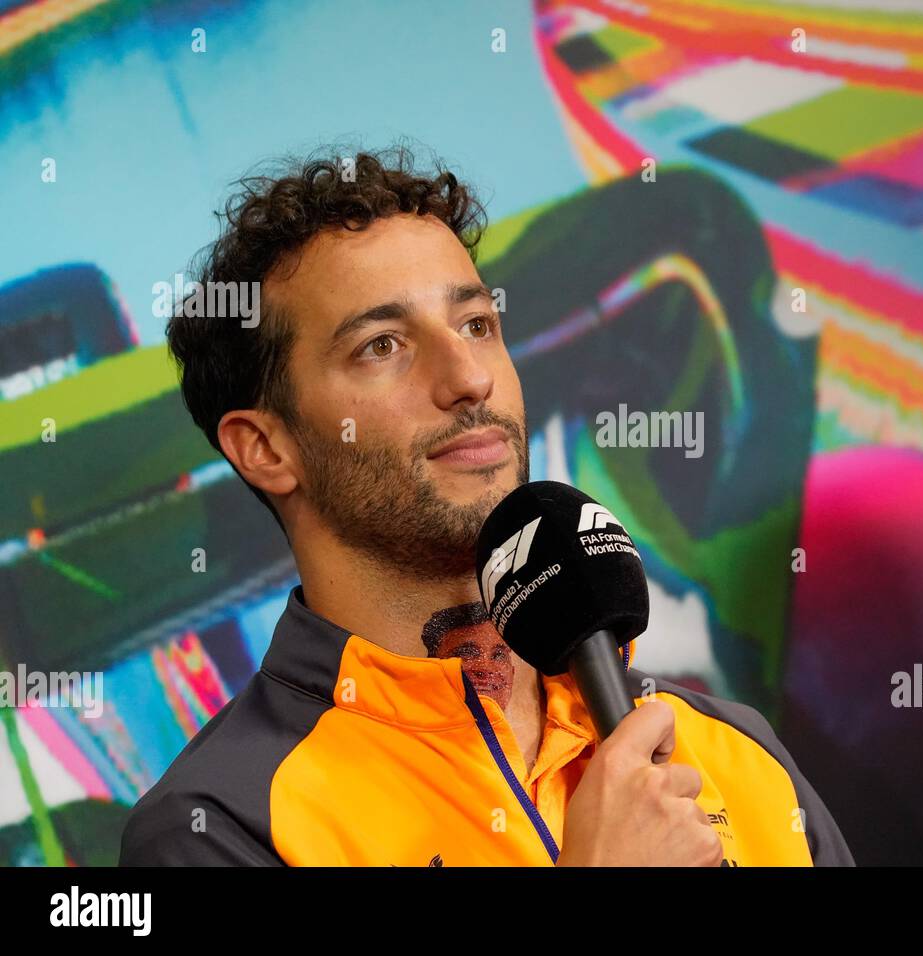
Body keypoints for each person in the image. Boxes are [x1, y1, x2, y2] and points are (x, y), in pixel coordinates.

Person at [118, 145, 853, 867]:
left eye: (476, 326)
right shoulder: (218, 828)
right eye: (381, 346)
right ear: (265, 449)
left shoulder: (736, 751)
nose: (469, 378)